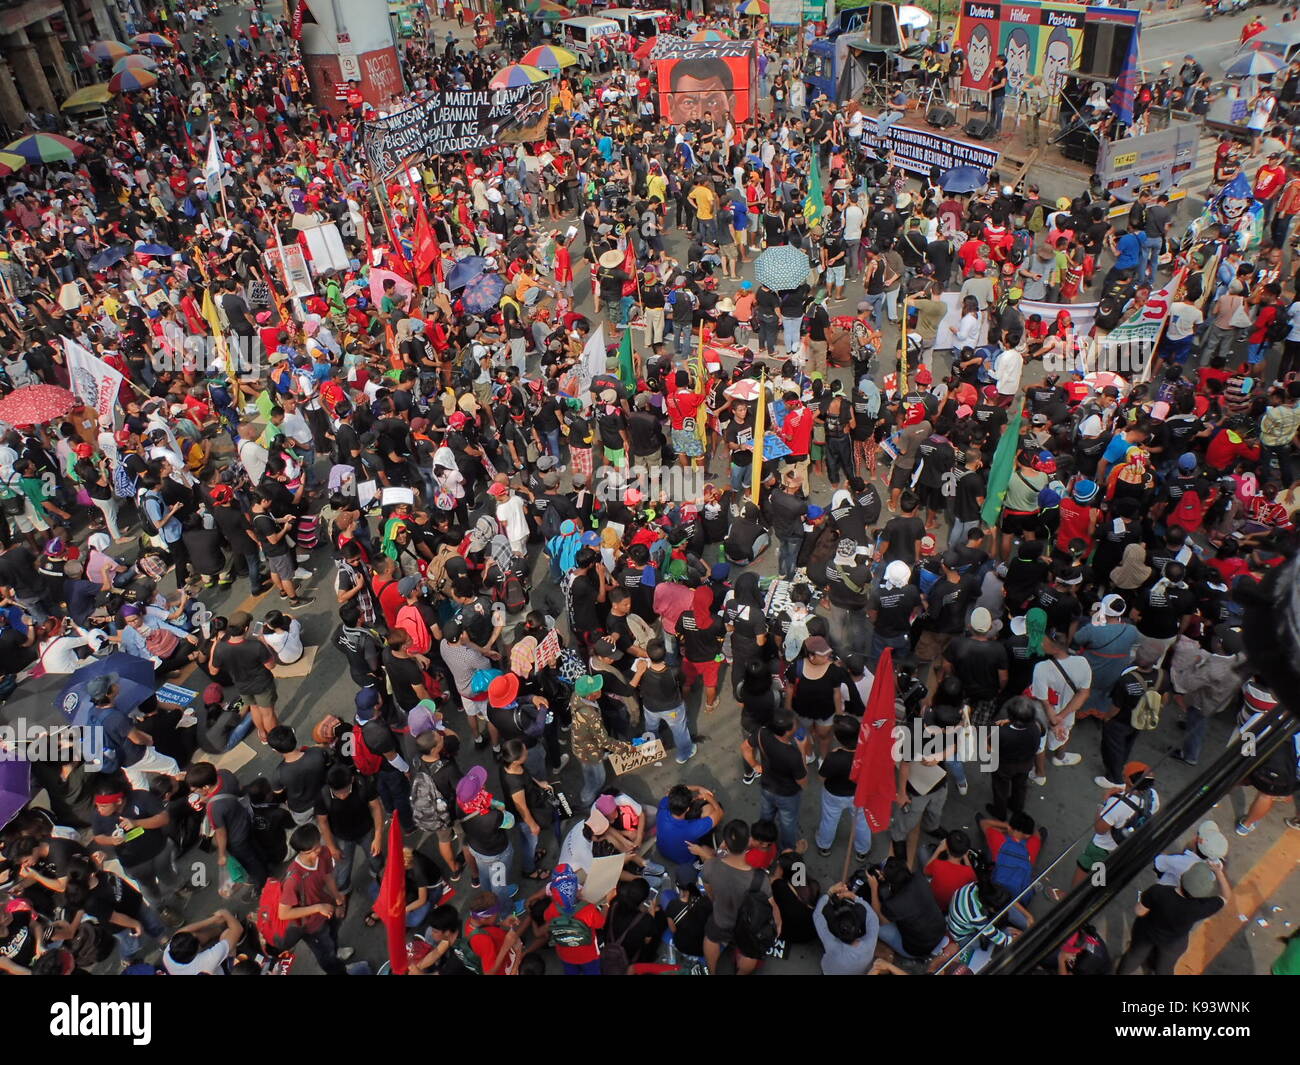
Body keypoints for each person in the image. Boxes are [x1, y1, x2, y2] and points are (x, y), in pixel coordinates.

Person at [1117, 861, 1231, 975]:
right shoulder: (1202, 907)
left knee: (1134, 956)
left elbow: (1139, 911)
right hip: (1173, 943)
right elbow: (1226, 896)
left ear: (1182, 877)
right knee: (1165, 969)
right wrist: (1218, 872)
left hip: (1147, 933)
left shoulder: (1158, 891)